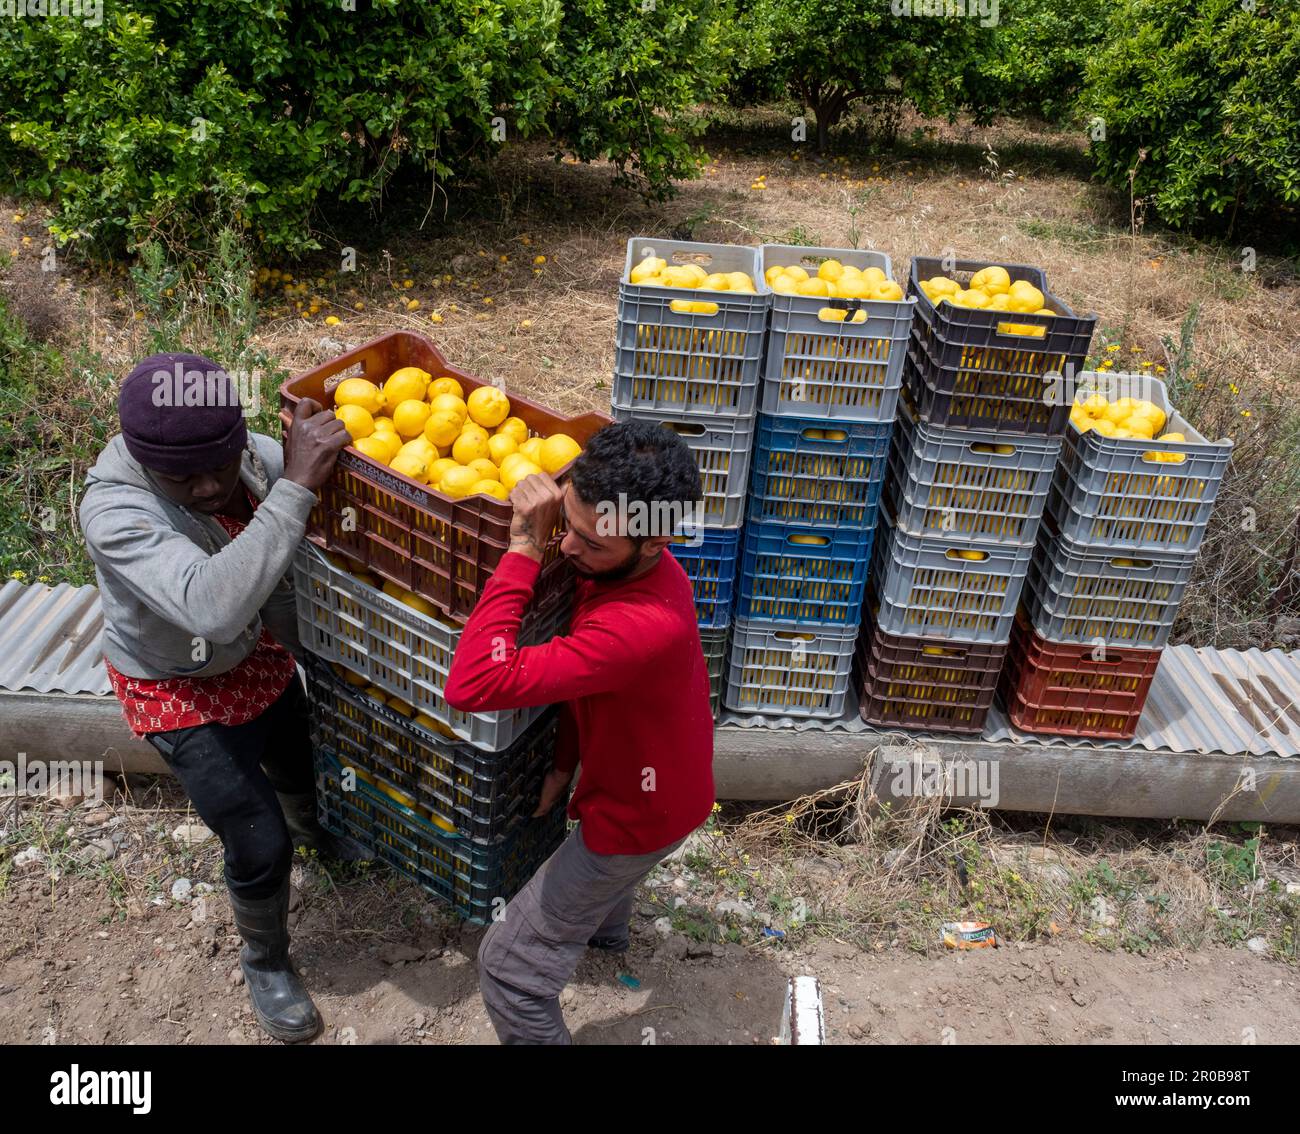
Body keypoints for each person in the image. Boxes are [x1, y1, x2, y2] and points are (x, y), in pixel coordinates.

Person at [79, 351, 363, 1044]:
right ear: (146, 463)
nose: (210, 487)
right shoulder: (115, 510)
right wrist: (295, 490)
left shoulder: (258, 460)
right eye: (185, 477)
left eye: (221, 462)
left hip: (254, 658)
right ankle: (265, 960)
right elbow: (210, 605)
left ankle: (319, 836)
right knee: (255, 835)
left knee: (299, 761)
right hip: (176, 683)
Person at [444, 420, 716, 1045]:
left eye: (591, 544)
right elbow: (588, 685)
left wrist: (520, 550)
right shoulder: (639, 567)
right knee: (603, 879)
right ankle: (603, 933)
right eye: (564, 524)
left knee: (509, 968)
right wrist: (565, 765)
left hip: (637, 817)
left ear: (654, 543)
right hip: (666, 790)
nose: (566, 548)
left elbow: (470, 686)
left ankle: (584, 929)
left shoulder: (639, 626)